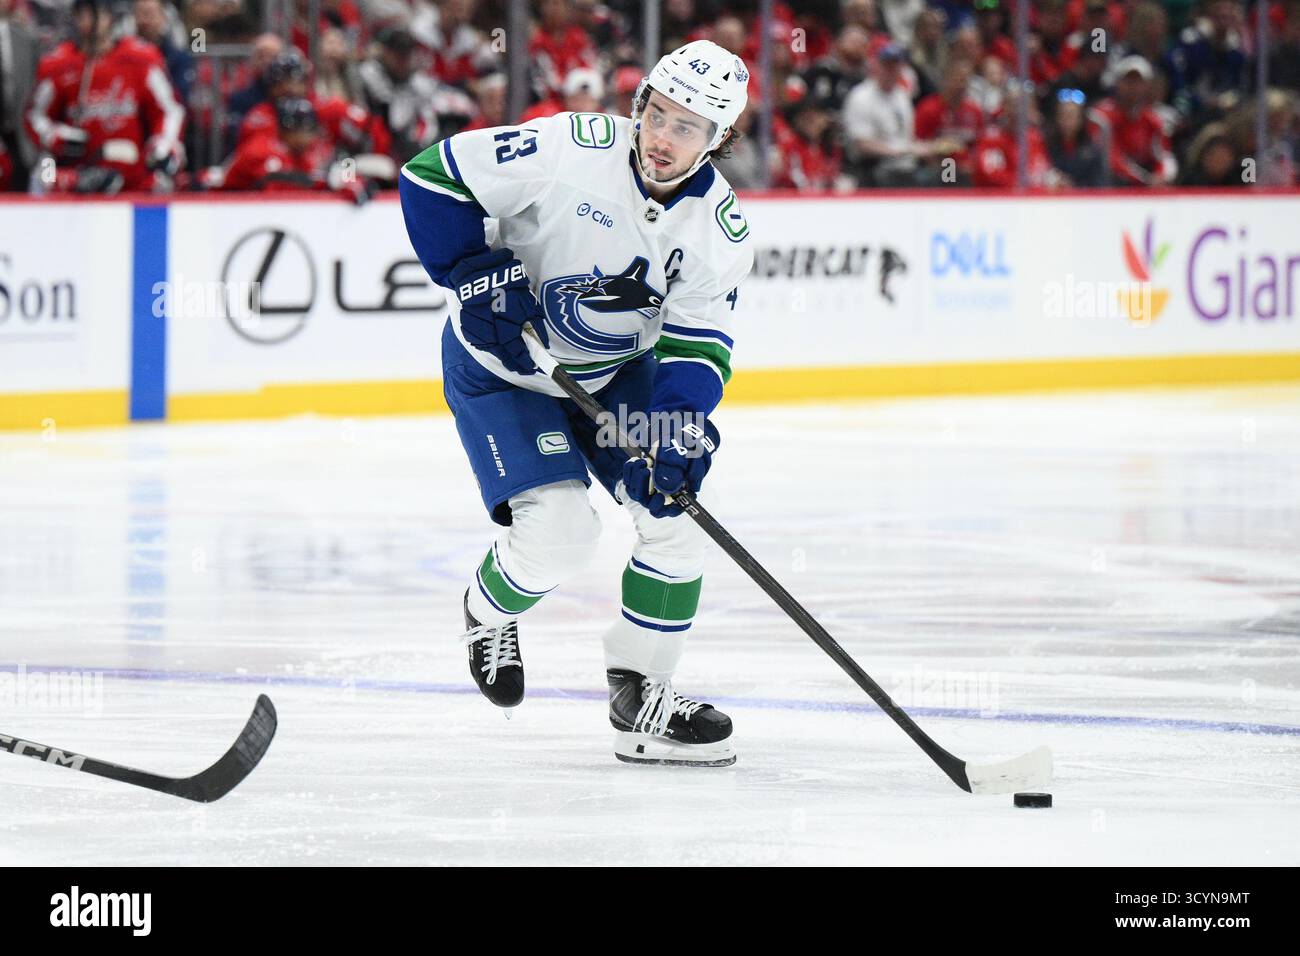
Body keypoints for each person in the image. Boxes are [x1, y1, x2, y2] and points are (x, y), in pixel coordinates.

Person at [399, 40, 753, 767]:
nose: (661, 137)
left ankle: (642, 694)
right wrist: (472, 272)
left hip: (618, 375)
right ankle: (488, 611)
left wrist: (681, 424)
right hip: (504, 368)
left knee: (674, 517)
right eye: (657, 113)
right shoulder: (569, 145)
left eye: (687, 127)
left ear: (720, 139)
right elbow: (431, 177)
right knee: (561, 533)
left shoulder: (718, 230)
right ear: (640, 103)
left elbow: (697, 341)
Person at [25, 0, 184, 193]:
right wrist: (55, 136)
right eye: (83, 13)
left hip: (132, 170)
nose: (90, 21)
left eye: (96, 13)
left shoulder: (140, 58)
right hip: (78, 172)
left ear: (110, 16)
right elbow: (34, 115)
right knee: (43, 175)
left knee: (163, 181)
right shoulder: (59, 63)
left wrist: (164, 144)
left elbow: (169, 110)